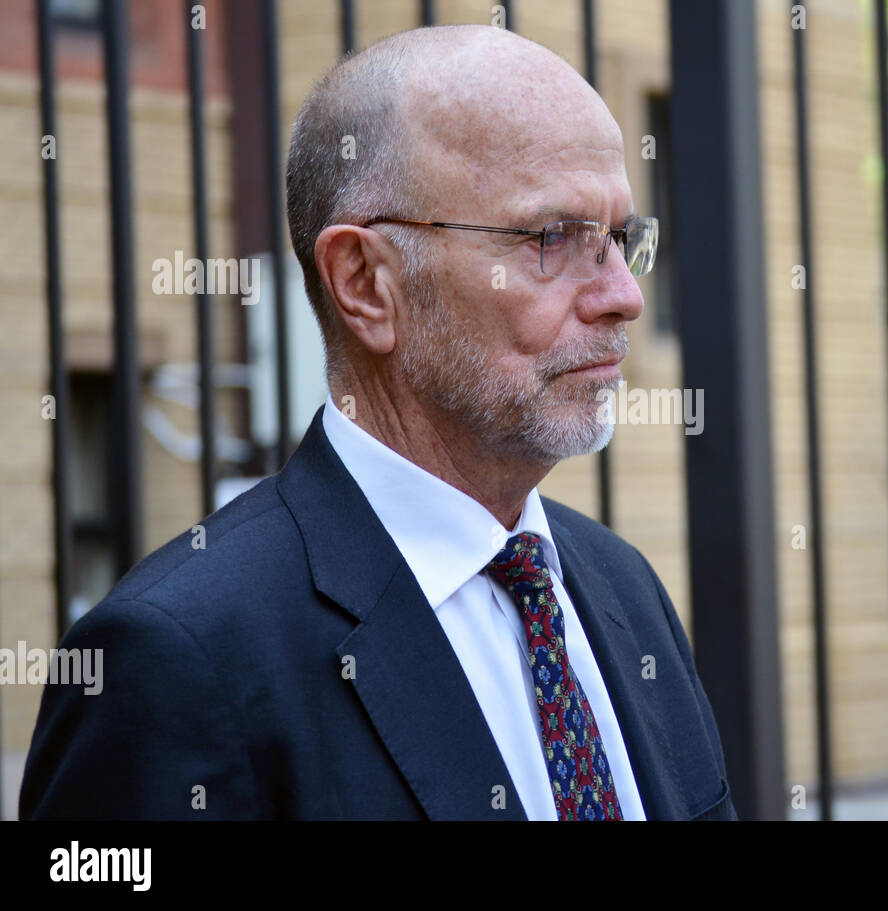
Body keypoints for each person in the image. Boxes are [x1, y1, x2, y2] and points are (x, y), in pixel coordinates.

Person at [20, 24, 734, 821]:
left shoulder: (619, 586)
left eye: (621, 239)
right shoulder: (177, 660)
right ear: (364, 282)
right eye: (553, 238)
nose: (624, 295)